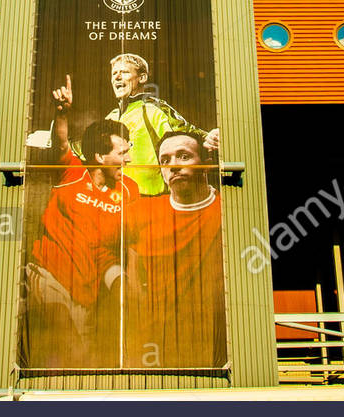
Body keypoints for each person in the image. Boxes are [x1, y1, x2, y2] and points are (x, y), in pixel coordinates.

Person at [21, 119, 137, 368]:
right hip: (49, 274)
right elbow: (61, 142)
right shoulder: (73, 172)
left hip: (87, 293)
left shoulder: (129, 190)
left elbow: (130, 244)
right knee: (63, 333)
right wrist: (62, 113)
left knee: (80, 361)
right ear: (99, 156)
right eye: (122, 153)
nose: (128, 160)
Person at [121, 131, 227, 369]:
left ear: (206, 165)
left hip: (214, 344)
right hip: (154, 345)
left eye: (184, 156)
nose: (174, 166)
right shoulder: (142, 212)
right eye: (165, 160)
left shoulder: (228, 210)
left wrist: (233, 142)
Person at [50, 53, 220, 196]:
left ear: (142, 78)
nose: (116, 77)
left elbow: (189, 135)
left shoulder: (153, 108)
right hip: (119, 202)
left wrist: (209, 138)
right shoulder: (112, 116)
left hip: (151, 201)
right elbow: (87, 150)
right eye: (114, 73)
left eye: (123, 72)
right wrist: (54, 134)